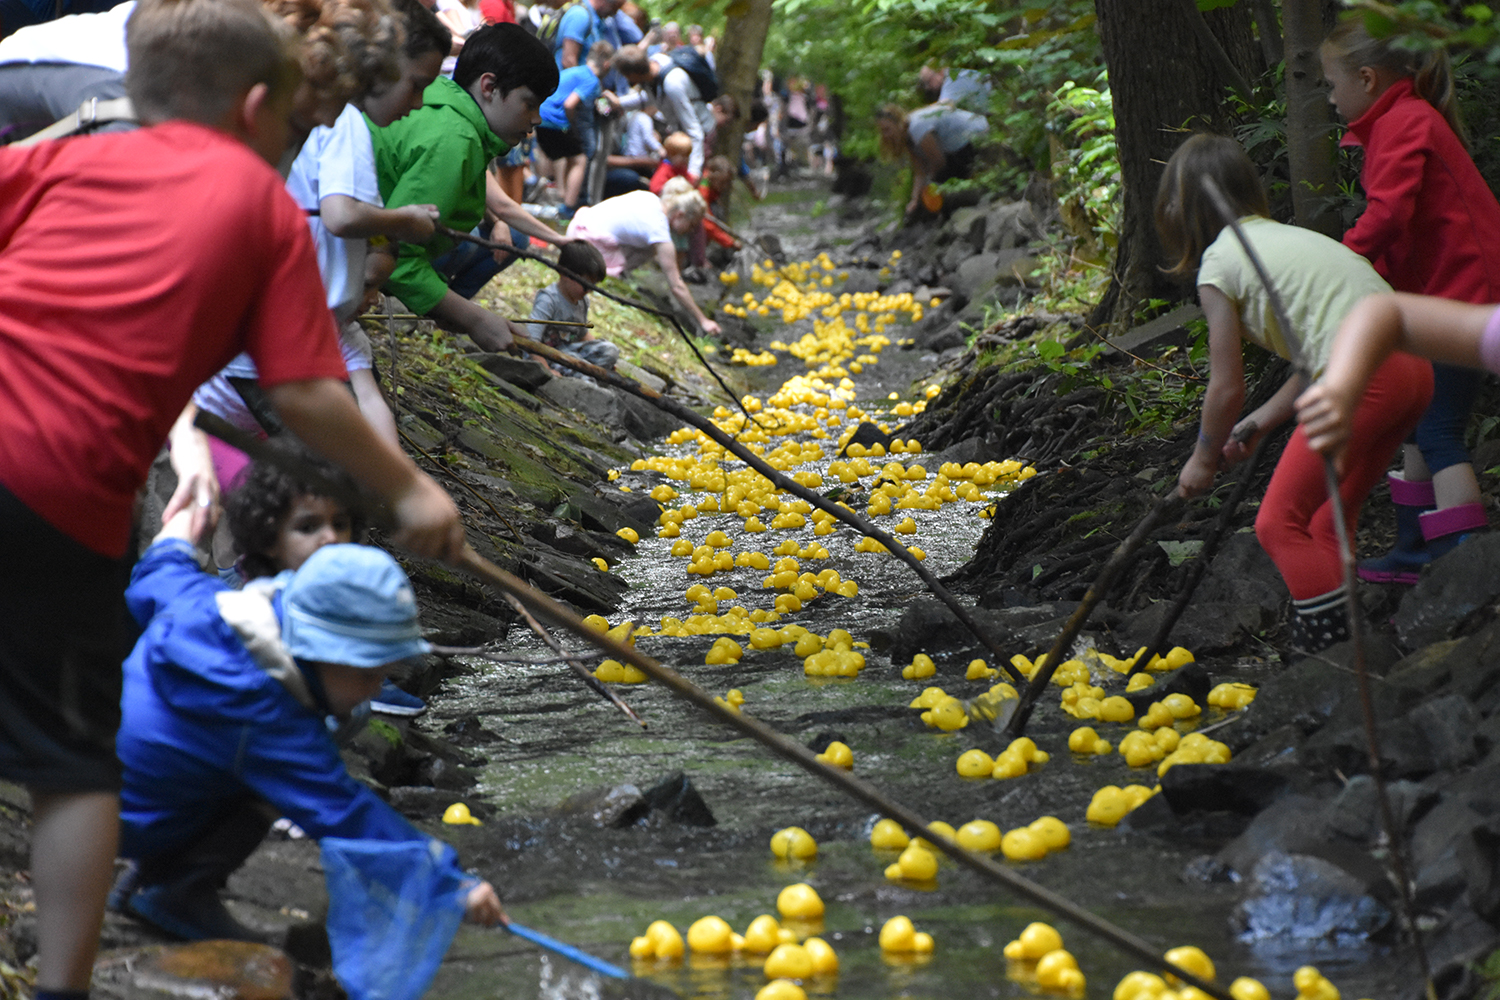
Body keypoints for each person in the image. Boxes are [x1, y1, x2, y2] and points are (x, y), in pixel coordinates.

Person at [0, 0, 464, 995]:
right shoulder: (259, 204)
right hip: (56, 487)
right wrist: (410, 489)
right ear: (259, 108)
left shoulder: (65, 156)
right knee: (74, 769)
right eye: (298, 119)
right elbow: (304, 390)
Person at [110, 531, 501, 942]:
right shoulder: (267, 716)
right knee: (266, 790)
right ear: (319, 651)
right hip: (126, 823)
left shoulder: (210, 604)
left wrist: (177, 539)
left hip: (94, 794)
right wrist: (448, 884)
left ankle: (150, 878)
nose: (374, 691)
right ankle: (177, 891)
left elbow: (159, 573)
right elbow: (344, 813)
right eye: (367, 675)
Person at [1156, 134, 1431, 653]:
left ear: (1180, 209)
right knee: (1326, 522)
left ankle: (1334, 659)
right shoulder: (1285, 239)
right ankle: (1357, 660)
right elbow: (1315, 364)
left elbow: (1226, 385)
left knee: (1278, 525)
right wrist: (1257, 425)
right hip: (1412, 369)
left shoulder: (1219, 264)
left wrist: (1203, 457)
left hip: (1366, 379)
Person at [194, 0, 451, 515]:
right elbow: (340, 213)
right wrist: (403, 221)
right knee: (324, 495)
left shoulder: (322, 120)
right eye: (416, 84)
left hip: (275, 338)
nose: (419, 102)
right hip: (267, 344)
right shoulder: (345, 121)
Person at [1321, 17, 1500, 582]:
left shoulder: (1404, 121)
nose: (1330, 98)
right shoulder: (1395, 121)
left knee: (1440, 429)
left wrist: (1338, 265)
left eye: (1332, 84)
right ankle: (1416, 549)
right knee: (1420, 422)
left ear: (1367, 79)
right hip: (1440, 295)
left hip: (1463, 296)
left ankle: (1463, 567)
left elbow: (1387, 216)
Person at [369, 21, 558, 352]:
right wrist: (473, 318)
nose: (536, 118)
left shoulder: (449, 109)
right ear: (489, 87)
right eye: (529, 103)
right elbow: (393, 252)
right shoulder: (455, 139)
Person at [1298, 294, 1500, 463]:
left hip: (1448, 303)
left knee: (1438, 436)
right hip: (1442, 308)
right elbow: (1386, 313)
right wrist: (1341, 392)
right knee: (1429, 437)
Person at [566, 177, 720, 335]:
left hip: (577, 228)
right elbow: (677, 286)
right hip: (585, 247)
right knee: (653, 249)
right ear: (680, 214)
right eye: (692, 225)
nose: (690, 231)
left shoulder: (650, 198)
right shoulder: (659, 231)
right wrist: (703, 320)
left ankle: (615, 270)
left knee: (648, 247)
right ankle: (610, 272)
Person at [534, 38, 612, 218]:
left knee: (566, 156)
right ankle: (569, 208)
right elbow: (570, 104)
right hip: (556, 119)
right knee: (580, 159)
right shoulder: (591, 80)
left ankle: (559, 196)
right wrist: (572, 126)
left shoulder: (574, 71)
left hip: (540, 115)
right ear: (607, 64)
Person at [612, 42, 712, 177]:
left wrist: (693, 172)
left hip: (699, 137)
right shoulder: (654, 67)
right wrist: (618, 102)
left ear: (633, 74)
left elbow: (694, 130)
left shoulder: (672, 84)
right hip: (681, 138)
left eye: (626, 76)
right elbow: (649, 98)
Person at [875, 102, 987, 220]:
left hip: (975, 137)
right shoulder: (907, 136)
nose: (885, 135)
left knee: (938, 186)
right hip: (958, 148)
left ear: (898, 123)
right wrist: (914, 200)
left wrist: (929, 183)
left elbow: (938, 162)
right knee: (929, 194)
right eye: (882, 131)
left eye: (887, 129)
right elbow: (920, 172)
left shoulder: (917, 128)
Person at [527, 239, 619, 375]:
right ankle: (585, 381)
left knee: (610, 350)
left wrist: (604, 356)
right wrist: (546, 370)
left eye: (593, 286)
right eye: (586, 285)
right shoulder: (549, 300)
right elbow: (531, 340)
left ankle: (592, 374)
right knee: (576, 363)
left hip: (569, 351)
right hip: (546, 357)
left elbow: (582, 334)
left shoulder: (582, 301)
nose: (589, 291)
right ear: (565, 274)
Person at [551, 0, 620, 69]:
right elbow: (568, 60)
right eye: (613, 8)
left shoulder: (597, 20)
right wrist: (579, 76)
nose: (613, 14)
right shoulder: (580, 16)